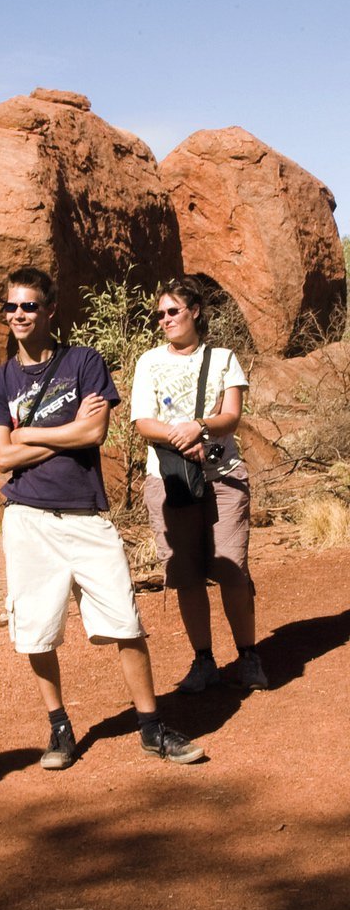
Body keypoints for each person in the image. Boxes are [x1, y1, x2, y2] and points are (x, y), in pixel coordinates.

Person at [0, 267, 203, 770]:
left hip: (86, 515)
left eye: (29, 306)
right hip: (27, 519)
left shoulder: (83, 362)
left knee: (125, 622)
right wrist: (64, 429)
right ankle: (59, 728)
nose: (19, 314)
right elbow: (1, 459)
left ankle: (151, 727)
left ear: (49, 310)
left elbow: (93, 435)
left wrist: (27, 436)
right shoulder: (0, 381)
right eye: (12, 306)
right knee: (37, 630)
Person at [130, 277, 266, 692]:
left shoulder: (223, 358)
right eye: (160, 314)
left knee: (231, 568)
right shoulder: (149, 362)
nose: (165, 320)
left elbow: (231, 416)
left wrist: (198, 427)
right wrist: (179, 438)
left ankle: (248, 656)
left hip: (222, 477)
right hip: (170, 478)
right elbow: (142, 421)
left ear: (195, 312)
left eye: (173, 311)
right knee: (185, 575)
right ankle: (204, 661)